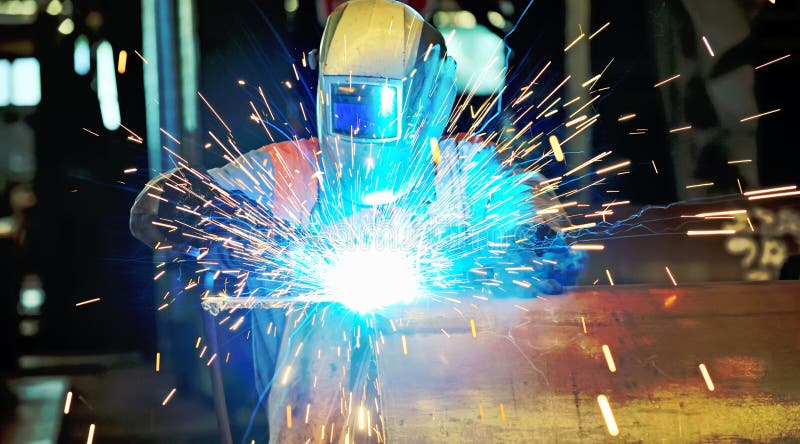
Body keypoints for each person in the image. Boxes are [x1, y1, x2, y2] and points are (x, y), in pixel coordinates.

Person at [130, 1, 583, 441]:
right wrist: (215, 216)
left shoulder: (471, 176)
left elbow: (545, 228)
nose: (363, 127)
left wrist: (531, 247)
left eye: (381, 109)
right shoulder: (285, 170)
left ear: (428, 99)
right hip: (309, 427)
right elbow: (152, 210)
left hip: (455, 420)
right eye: (348, 106)